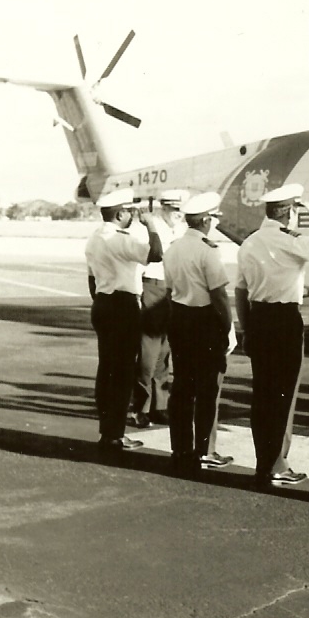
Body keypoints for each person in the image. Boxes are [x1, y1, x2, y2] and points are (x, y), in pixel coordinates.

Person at [234, 183, 309, 489]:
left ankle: (263, 463)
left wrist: (247, 329)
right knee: (284, 394)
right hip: (283, 320)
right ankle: (277, 465)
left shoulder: (250, 243)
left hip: (257, 318)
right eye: (295, 210)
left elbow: (240, 292)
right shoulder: (290, 240)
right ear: (287, 211)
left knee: (263, 395)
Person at [84, 187, 162, 453]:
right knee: (122, 373)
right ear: (119, 214)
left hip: (103, 303)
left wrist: (102, 301)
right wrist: (151, 226)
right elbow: (156, 254)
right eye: (129, 211)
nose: (132, 215)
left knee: (106, 371)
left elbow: (92, 278)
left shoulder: (95, 238)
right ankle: (114, 435)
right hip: (122, 305)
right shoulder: (120, 239)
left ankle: (108, 430)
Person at [164, 191, 235, 475]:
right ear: (205, 220)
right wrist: (229, 328)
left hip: (179, 318)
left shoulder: (173, 249)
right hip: (204, 321)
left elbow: (170, 291)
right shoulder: (208, 250)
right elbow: (219, 295)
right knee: (207, 389)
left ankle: (180, 448)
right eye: (214, 218)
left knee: (182, 386)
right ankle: (205, 450)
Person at [129, 188, 187, 429]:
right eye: (174, 210)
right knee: (147, 355)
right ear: (164, 207)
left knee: (165, 353)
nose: (179, 215)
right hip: (152, 288)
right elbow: (138, 265)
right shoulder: (147, 229)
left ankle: (159, 407)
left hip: (173, 291)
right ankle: (139, 408)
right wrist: (139, 295)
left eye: (181, 211)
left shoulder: (182, 230)